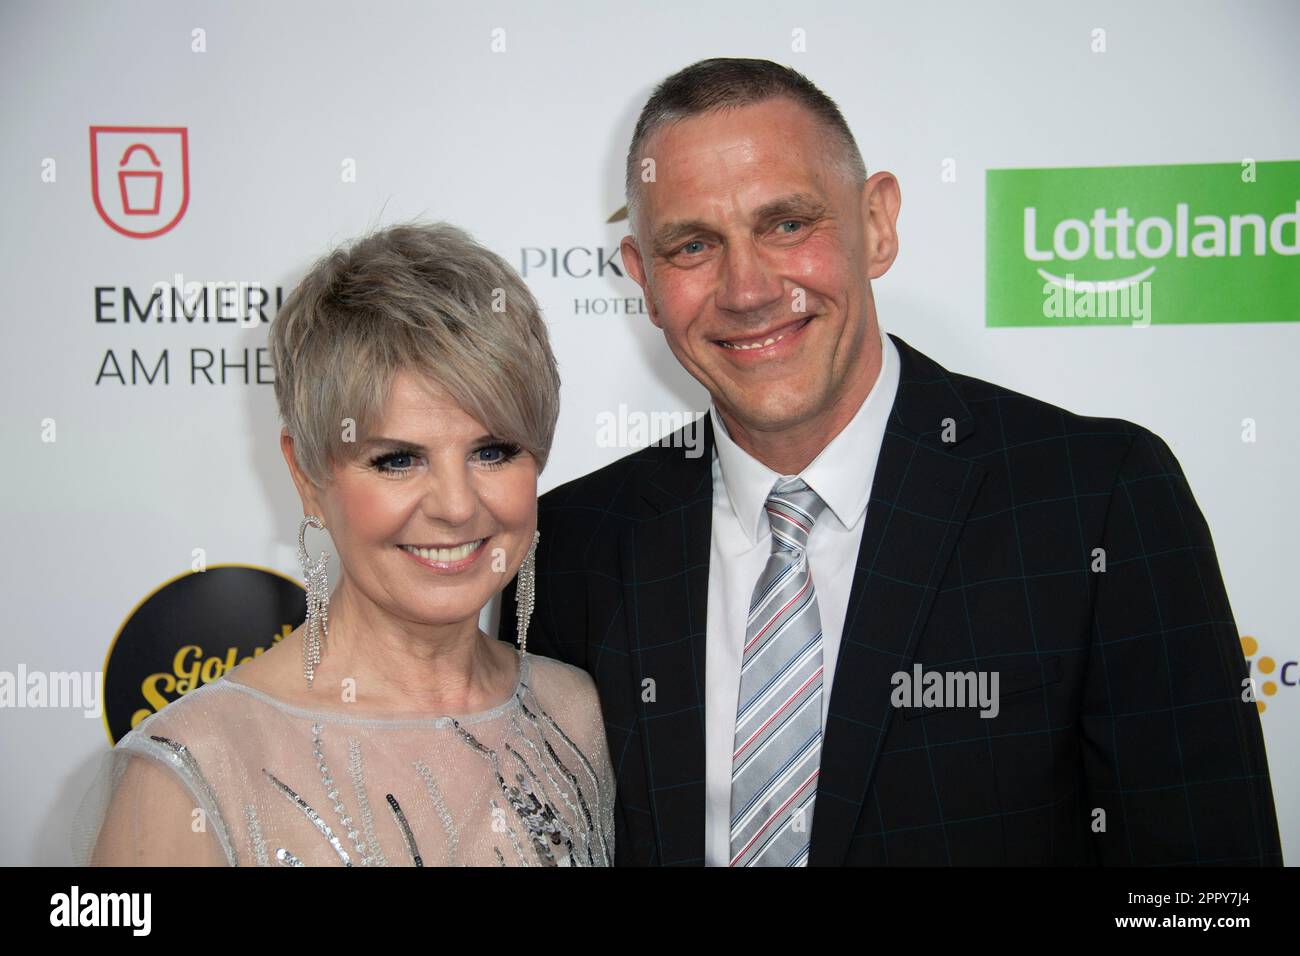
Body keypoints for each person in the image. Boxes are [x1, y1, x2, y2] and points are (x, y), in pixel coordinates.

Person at [501, 58, 1283, 866]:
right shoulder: (572, 545)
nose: (747, 289)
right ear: (644, 281)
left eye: (787, 225)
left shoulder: (1098, 497)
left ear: (876, 223)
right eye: (693, 245)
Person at [74, 222, 615, 866]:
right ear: (307, 477)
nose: (456, 505)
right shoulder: (196, 769)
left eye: (493, 451)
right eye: (396, 460)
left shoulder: (581, 715)